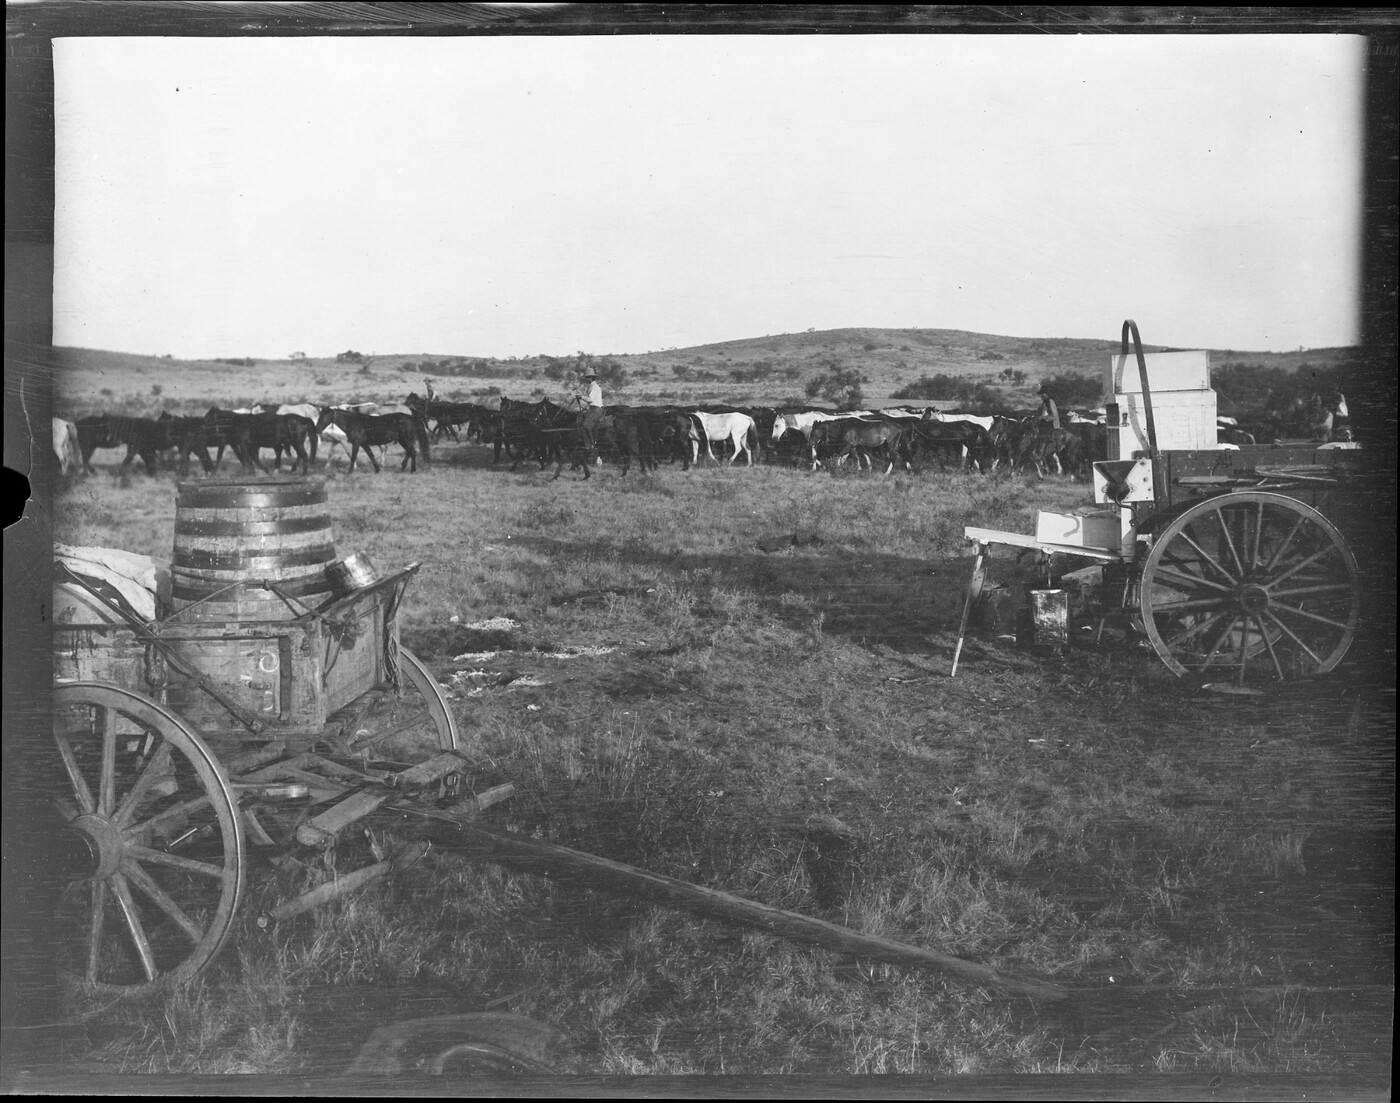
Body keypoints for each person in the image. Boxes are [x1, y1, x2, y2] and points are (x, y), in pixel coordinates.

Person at [576, 373, 607, 457]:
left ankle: (591, 446)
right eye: (586, 377)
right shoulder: (591, 386)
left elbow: (591, 399)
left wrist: (581, 397)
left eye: (588, 377)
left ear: (592, 378)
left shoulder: (593, 387)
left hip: (596, 409)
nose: (586, 379)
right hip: (593, 409)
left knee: (585, 425)